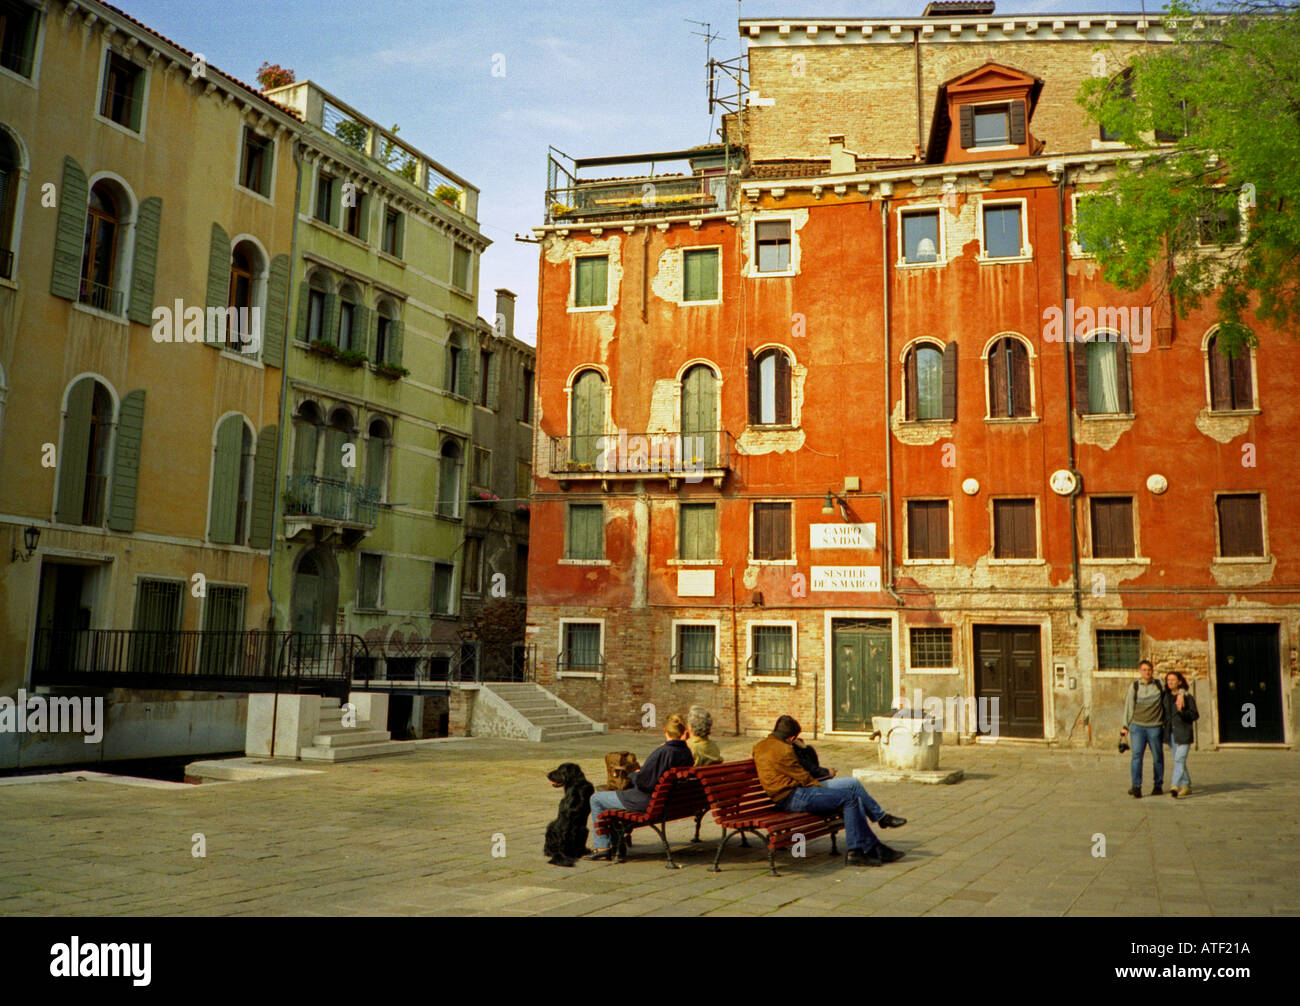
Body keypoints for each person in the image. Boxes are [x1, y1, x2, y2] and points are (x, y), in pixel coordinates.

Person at [752, 714, 907, 867]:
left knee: (852, 784)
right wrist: (825, 788)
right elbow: (805, 778)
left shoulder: (759, 746)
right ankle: (859, 850)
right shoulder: (785, 750)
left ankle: (879, 825)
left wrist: (804, 749)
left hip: (790, 793)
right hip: (794, 796)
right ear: (792, 738)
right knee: (850, 798)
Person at [586, 712, 694, 860]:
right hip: (671, 803)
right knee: (609, 798)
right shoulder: (686, 752)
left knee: (597, 798)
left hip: (647, 802)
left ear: (664, 731)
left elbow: (645, 783)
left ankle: (603, 846)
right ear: (683, 733)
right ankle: (616, 842)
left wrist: (634, 774)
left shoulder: (663, 752)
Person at [1120, 658, 1167, 797]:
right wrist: (1125, 726)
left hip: (1155, 727)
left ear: (1152, 671)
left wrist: (1182, 694)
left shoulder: (1159, 685)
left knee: (1158, 757)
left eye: (1149, 670)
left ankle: (1158, 786)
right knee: (1136, 757)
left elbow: (1174, 690)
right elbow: (1129, 707)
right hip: (1137, 727)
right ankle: (1136, 787)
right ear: (1140, 671)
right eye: (1144, 670)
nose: (1147, 672)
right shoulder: (1134, 686)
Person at [1162, 671, 1199, 798]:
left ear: (1179, 681)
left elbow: (1194, 715)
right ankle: (1186, 785)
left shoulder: (1187, 697)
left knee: (1179, 759)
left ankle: (1174, 785)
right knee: (1179, 761)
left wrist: (1182, 711)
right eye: (1168, 680)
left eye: (1173, 680)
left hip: (1184, 733)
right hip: (1171, 734)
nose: (1170, 682)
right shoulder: (1166, 696)